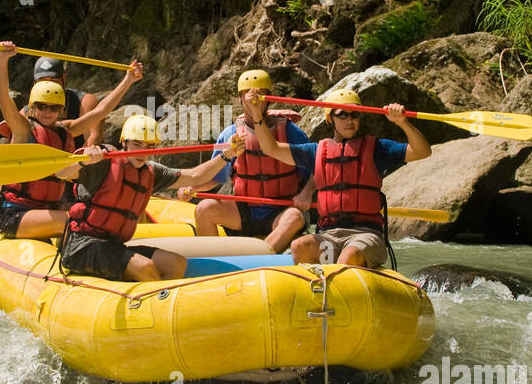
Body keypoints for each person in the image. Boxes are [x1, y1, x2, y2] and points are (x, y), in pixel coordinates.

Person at [244, 86, 431, 267]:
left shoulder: (378, 149)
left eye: (354, 114)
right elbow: (270, 148)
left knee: (349, 255)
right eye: (342, 114)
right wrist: (257, 113)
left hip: (365, 235)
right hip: (329, 236)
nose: (349, 120)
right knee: (299, 246)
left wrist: (402, 122)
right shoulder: (316, 151)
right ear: (330, 118)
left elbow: (422, 151)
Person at [60, 114, 245, 283]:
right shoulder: (103, 163)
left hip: (114, 245)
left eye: (149, 147)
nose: (142, 152)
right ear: (124, 142)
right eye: (137, 144)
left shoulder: (151, 172)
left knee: (175, 263)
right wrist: (82, 161)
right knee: (145, 267)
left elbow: (196, 176)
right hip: (82, 246)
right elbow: (61, 172)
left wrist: (226, 154)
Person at [0, 41, 144, 239]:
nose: (48, 112)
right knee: (73, 220)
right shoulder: (22, 129)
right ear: (32, 107)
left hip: (47, 210)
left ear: (61, 109)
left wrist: (128, 80)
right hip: (15, 214)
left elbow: (101, 111)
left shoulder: (66, 130)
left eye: (54, 108)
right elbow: (4, 98)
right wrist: (2, 60)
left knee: (85, 216)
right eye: (42, 106)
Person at [177, 69, 309, 252]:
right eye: (249, 95)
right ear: (240, 98)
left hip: (280, 209)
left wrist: (306, 193)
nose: (254, 99)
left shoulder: (290, 132)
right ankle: (215, 265)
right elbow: (215, 177)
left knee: (295, 218)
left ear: (268, 98)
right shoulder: (230, 134)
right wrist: (194, 188)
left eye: (261, 94)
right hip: (244, 210)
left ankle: (257, 258)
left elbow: (316, 169)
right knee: (204, 208)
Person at [31, 56, 105, 148]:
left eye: (53, 81)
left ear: (64, 78)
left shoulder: (84, 101)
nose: (48, 86)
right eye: (42, 81)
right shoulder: (27, 111)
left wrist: (77, 162)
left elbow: (93, 138)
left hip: (78, 158)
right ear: (34, 82)